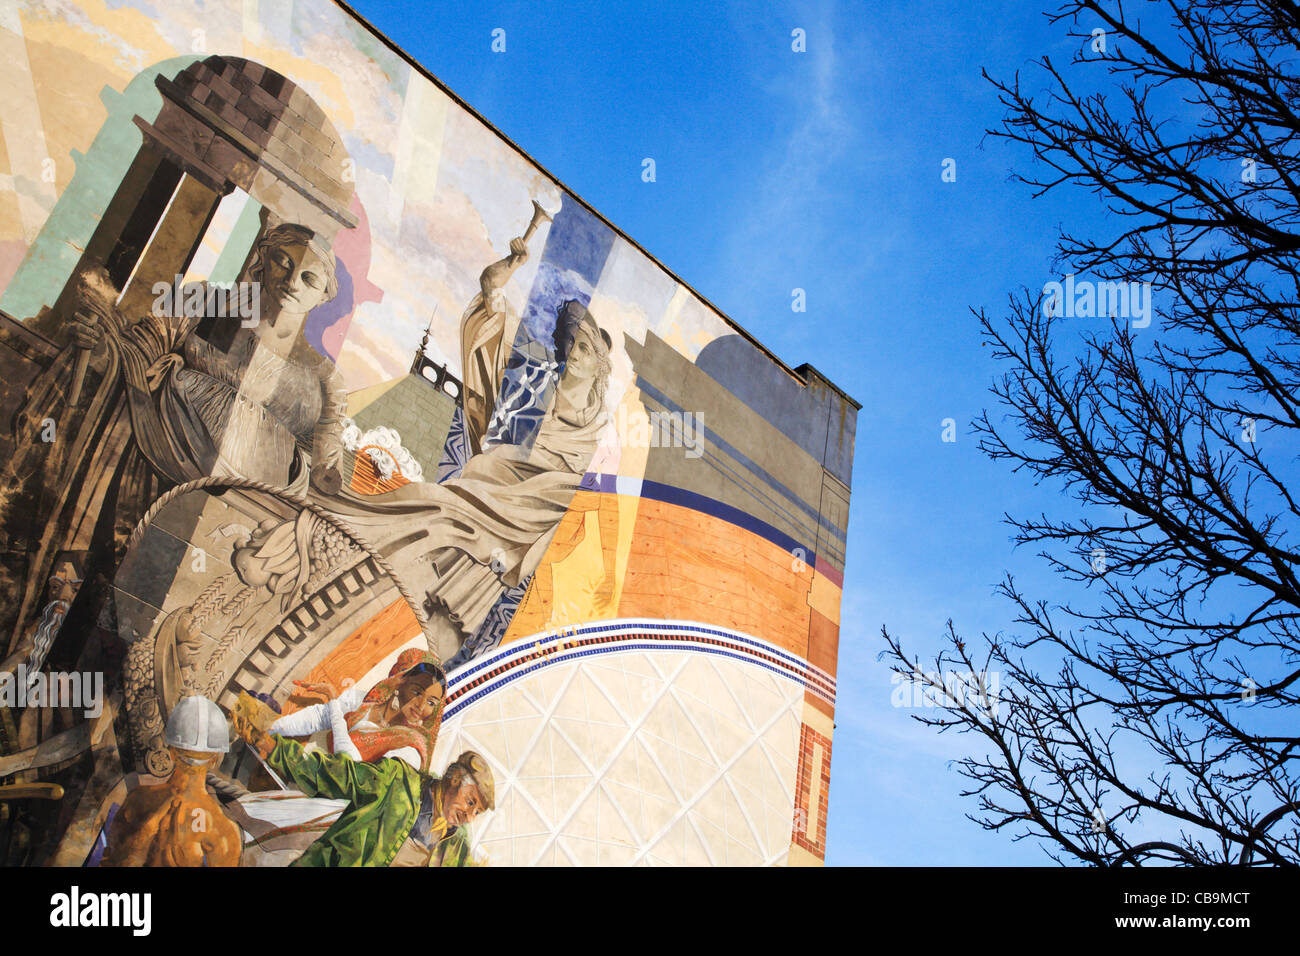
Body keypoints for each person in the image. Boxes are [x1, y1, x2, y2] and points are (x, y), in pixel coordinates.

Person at [1, 223, 347, 668]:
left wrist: (322, 476)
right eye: (284, 260)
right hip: (147, 459)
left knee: (138, 622)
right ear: (263, 257)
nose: (290, 279)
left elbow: (327, 457)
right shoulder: (203, 302)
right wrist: (103, 347)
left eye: (308, 277)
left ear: (322, 296)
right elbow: (138, 347)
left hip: (230, 517)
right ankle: (34, 660)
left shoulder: (323, 377)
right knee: (89, 569)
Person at [322, 234, 615, 663]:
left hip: (520, 539)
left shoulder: (598, 433)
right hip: (484, 491)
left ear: (599, 367)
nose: (576, 352)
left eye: (587, 348)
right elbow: (492, 334)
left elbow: (586, 506)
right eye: (573, 341)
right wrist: (504, 275)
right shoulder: (535, 391)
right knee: (431, 505)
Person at [233, 702, 493, 867]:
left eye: (477, 812)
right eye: (470, 802)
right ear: (455, 780)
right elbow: (334, 775)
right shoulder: (397, 780)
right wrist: (274, 748)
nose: (469, 816)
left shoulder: (455, 844)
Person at [102, 695, 241, 867]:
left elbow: (109, 859)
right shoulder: (223, 830)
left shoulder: (137, 799)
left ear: (171, 752)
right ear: (215, 759)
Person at [261, 649, 446, 772]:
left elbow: (351, 766)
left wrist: (333, 702)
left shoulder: (409, 746)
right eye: (417, 692)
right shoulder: (361, 702)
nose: (421, 706)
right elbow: (318, 718)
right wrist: (271, 727)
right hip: (304, 767)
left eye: (431, 702)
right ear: (398, 682)